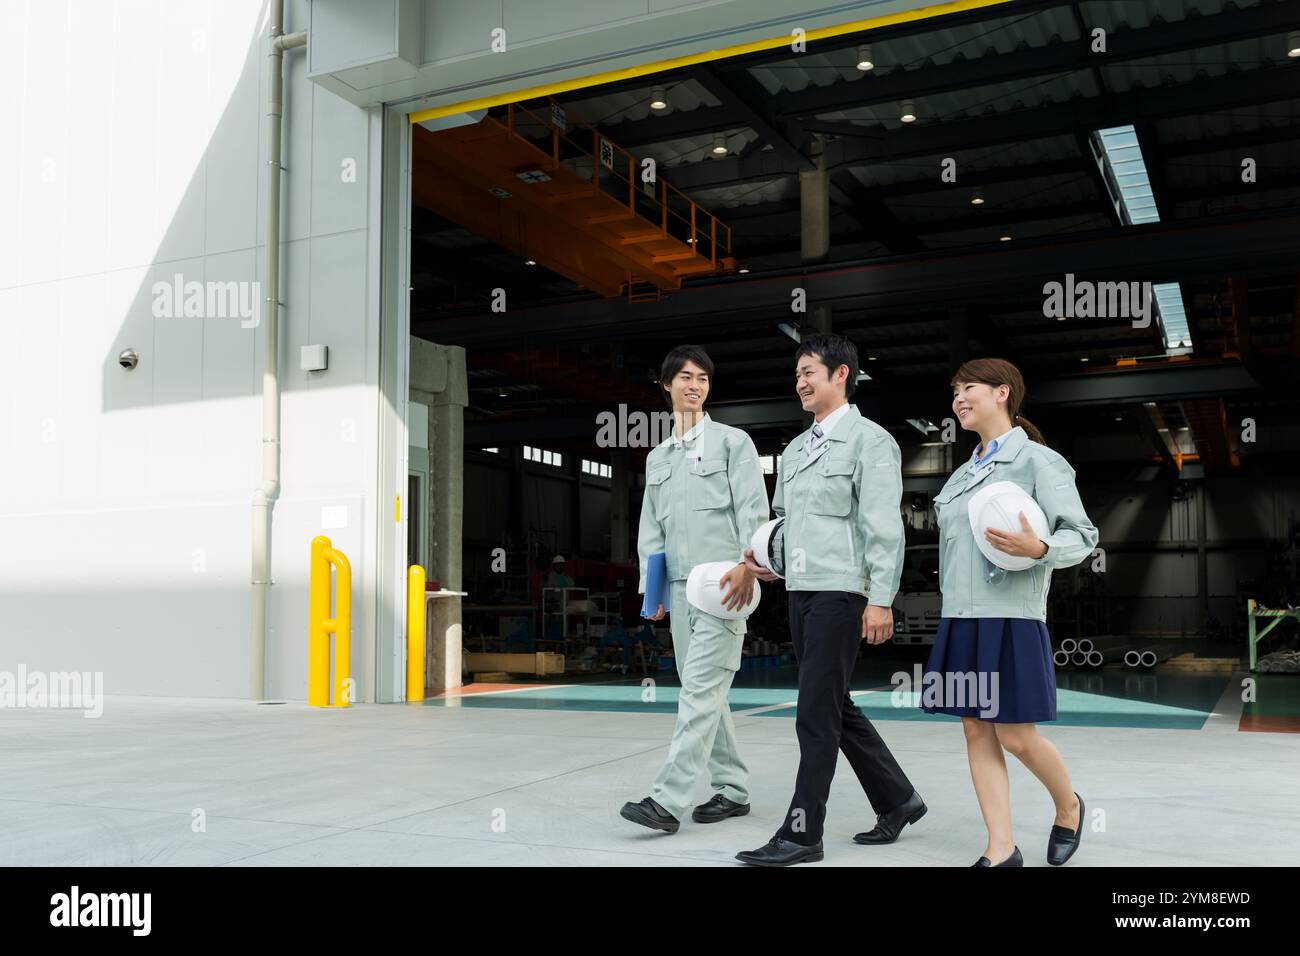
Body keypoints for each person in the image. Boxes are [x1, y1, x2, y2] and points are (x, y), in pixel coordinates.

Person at [736, 333, 924, 867]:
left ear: (842, 375)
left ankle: (802, 832)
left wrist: (881, 599)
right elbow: (783, 524)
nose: (800, 382)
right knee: (833, 703)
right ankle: (898, 799)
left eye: (809, 371)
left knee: (814, 712)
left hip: (843, 591)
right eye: (797, 374)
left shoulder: (871, 442)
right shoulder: (795, 450)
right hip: (799, 590)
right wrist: (767, 562)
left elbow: (884, 528)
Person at [924, 357, 1098, 867]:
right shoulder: (960, 475)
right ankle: (1000, 848)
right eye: (954, 391)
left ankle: (1068, 805)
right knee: (976, 729)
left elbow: (1082, 535)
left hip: (1012, 615)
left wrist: (1040, 549)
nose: (958, 398)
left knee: (1016, 735)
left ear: (1003, 393)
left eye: (969, 387)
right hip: (961, 617)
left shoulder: (1040, 463)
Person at [620, 345, 770, 834]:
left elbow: (754, 512)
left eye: (703, 379)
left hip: (724, 585)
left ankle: (667, 800)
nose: (694, 386)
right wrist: (654, 592)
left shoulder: (732, 444)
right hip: (681, 591)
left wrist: (751, 566)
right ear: (666, 385)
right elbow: (651, 531)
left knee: (700, 692)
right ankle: (733, 789)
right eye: (685, 377)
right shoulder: (658, 456)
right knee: (705, 692)